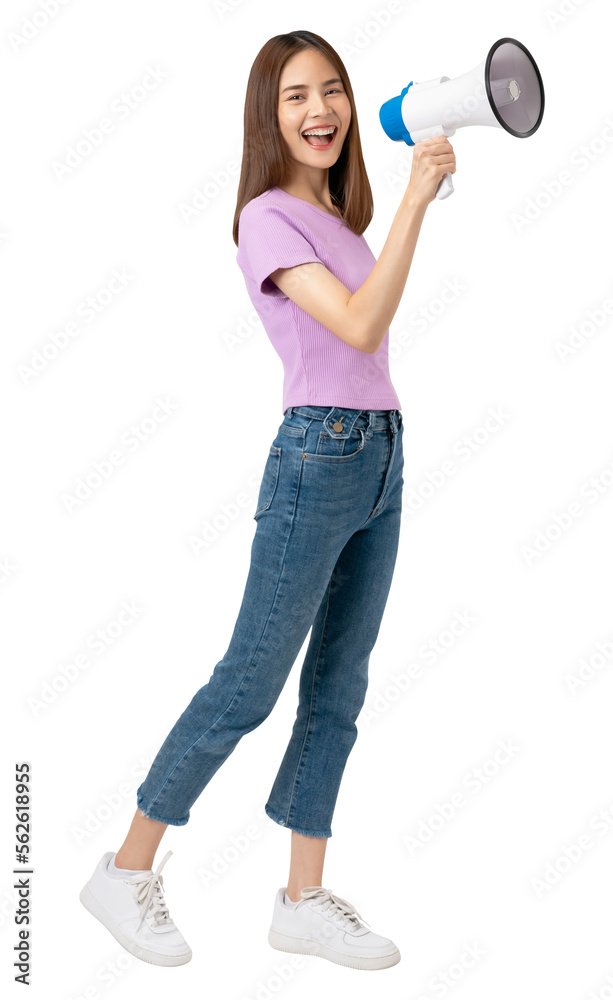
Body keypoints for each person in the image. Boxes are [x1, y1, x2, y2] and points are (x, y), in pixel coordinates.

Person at [79, 29, 455, 972]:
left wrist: (400, 208)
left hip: (378, 458)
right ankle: (123, 872)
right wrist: (418, 198)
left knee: (339, 691)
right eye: (295, 96)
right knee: (248, 683)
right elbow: (362, 323)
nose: (320, 110)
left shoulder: (340, 224)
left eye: (332, 90)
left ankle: (300, 898)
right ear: (267, 115)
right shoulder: (264, 219)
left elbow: (369, 339)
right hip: (316, 460)